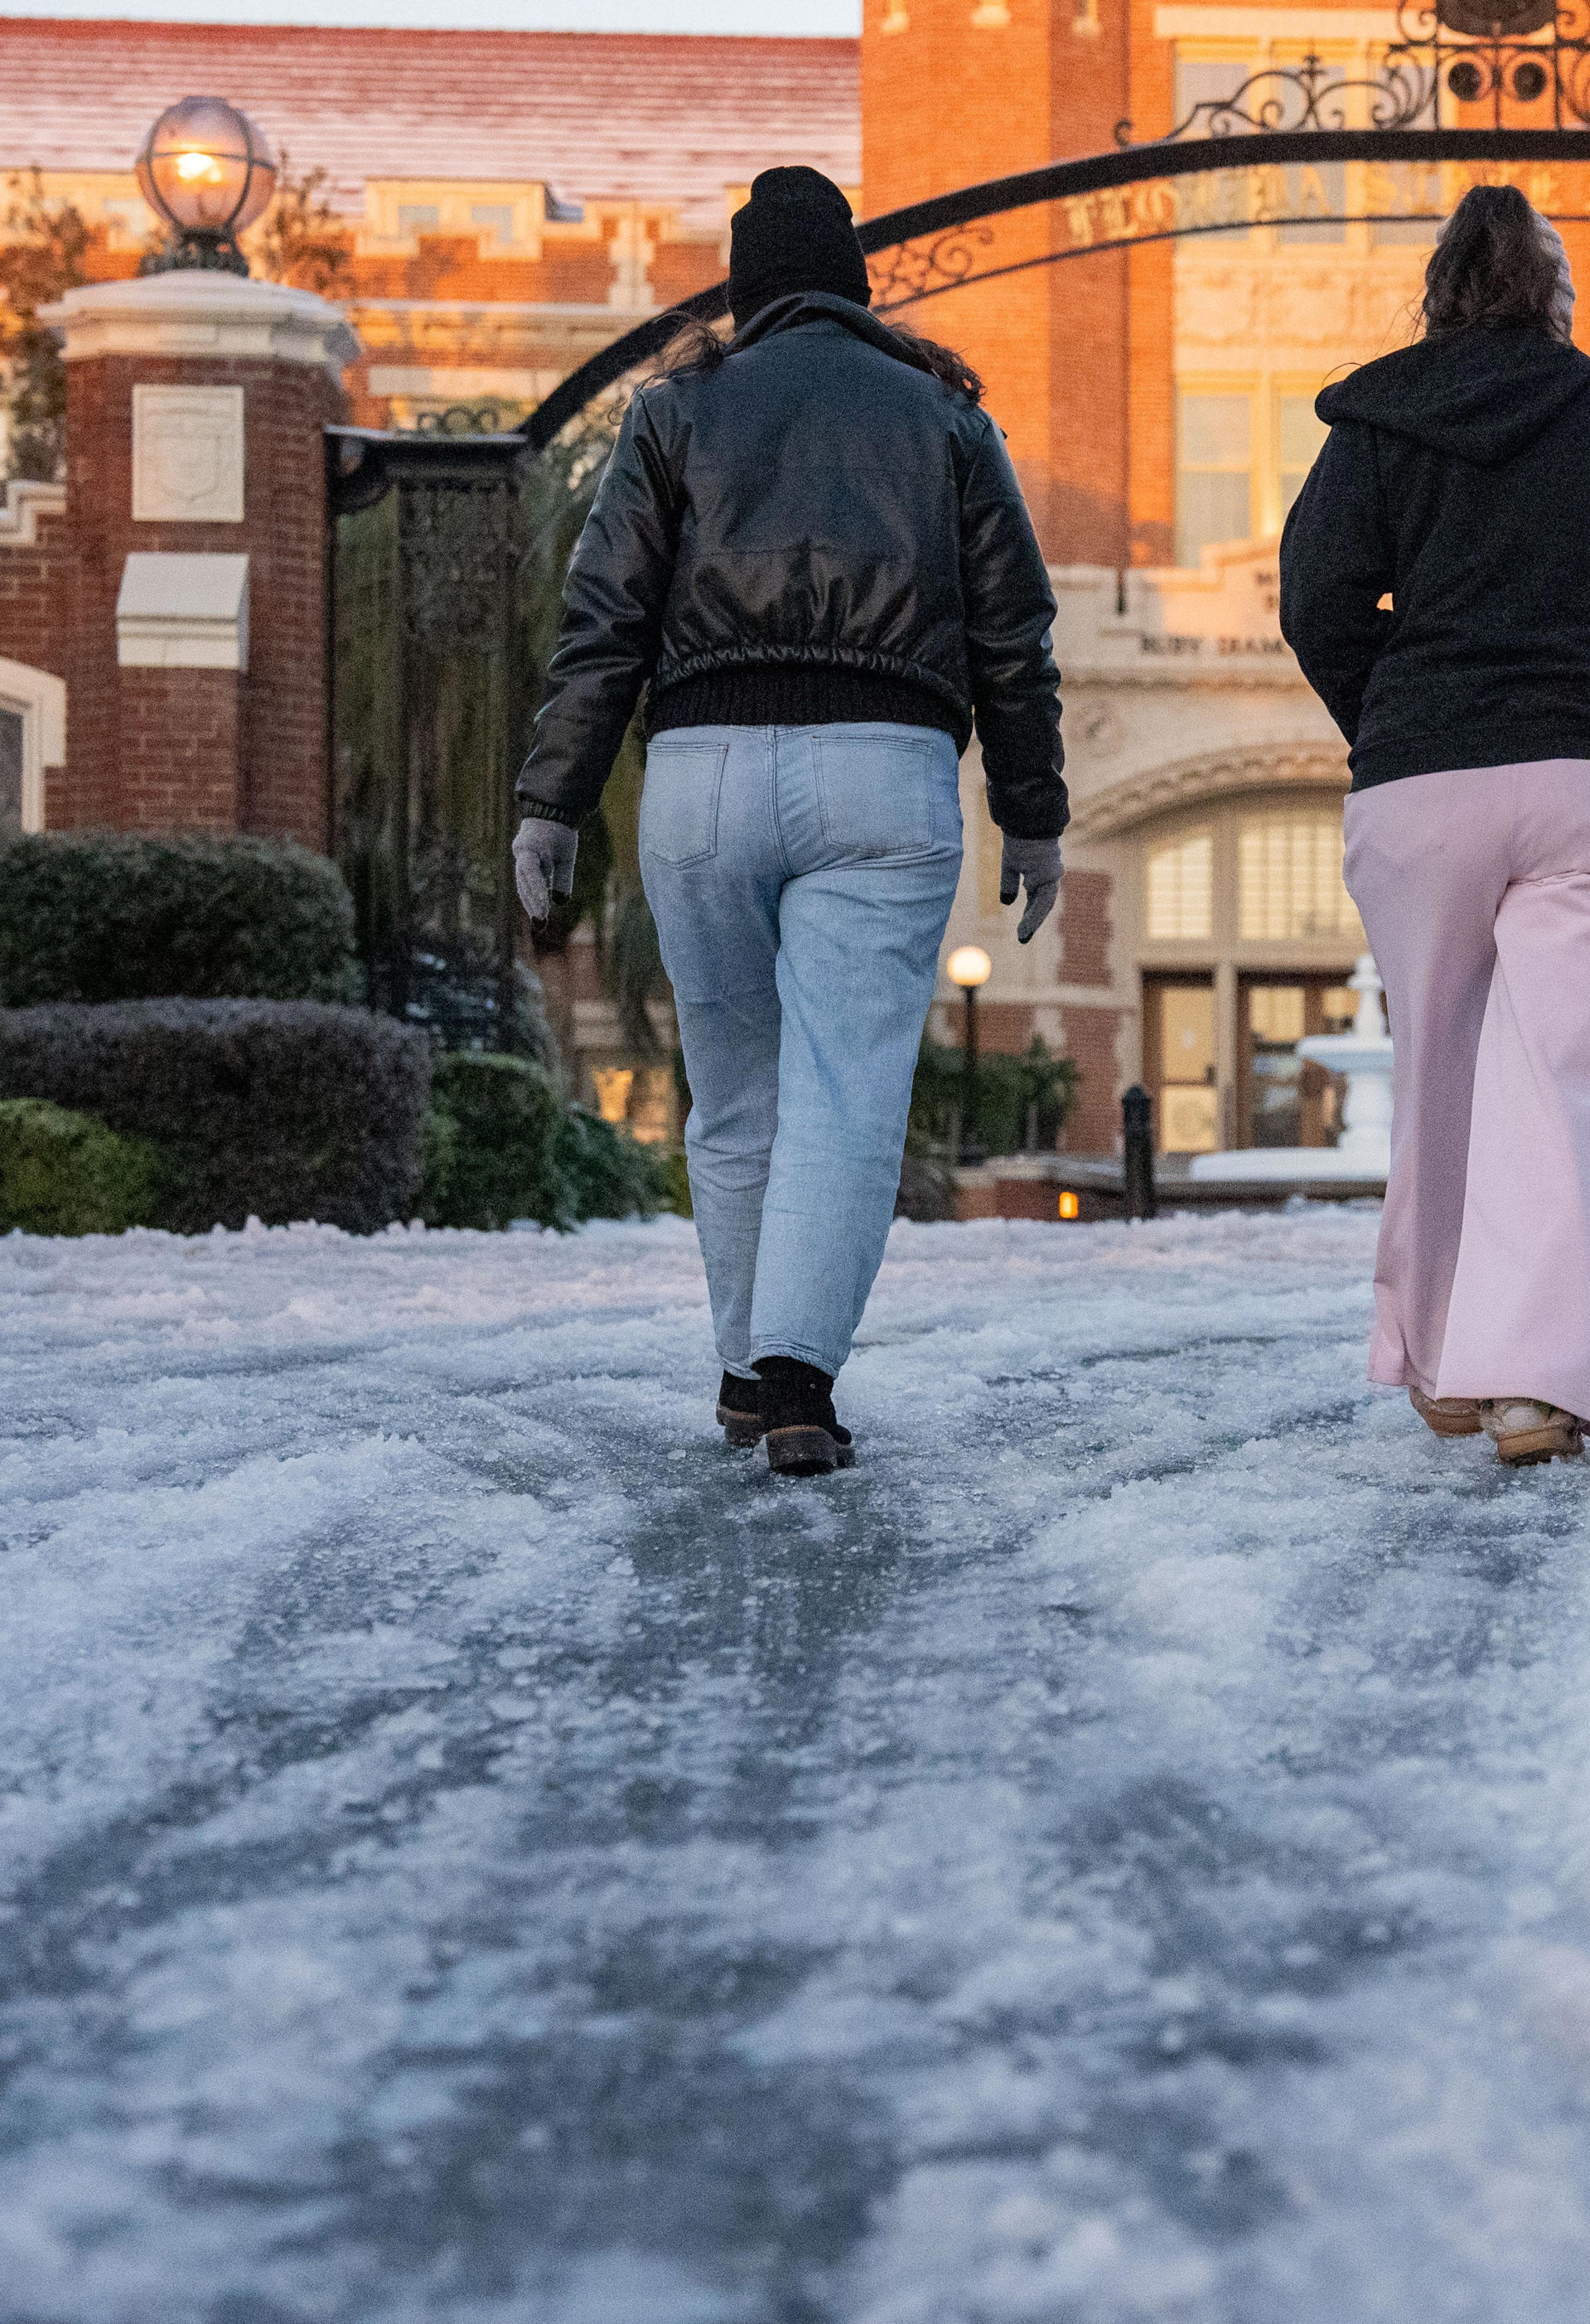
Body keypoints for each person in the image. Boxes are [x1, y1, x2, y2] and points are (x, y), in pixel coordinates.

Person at [510, 167, 1067, 1479]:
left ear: (744, 292)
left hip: (700, 771)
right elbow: (1014, 636)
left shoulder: (673, 411)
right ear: (857, 287)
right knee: (844, 1087)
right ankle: (799, 1378)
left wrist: (552, 800)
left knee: (734, 1089)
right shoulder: (942, 416)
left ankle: (742, 1369)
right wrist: (1031, 817)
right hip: (884, 766)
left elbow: (603, 632)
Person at [1278, 184, 1590, 1468]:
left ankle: (1437, 1361)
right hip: (1581, 783)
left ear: (1435, 295)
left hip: (1418, 779)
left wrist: (1385, 715)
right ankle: (1534, 1384)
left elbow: (1317, 593)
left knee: (1432, 1067)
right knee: (1566, 1083)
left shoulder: (1375, 422)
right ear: (1554, 300)